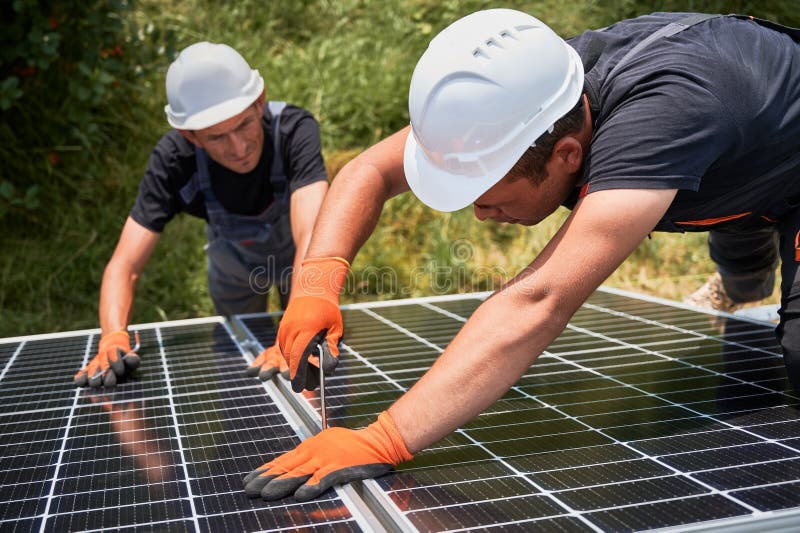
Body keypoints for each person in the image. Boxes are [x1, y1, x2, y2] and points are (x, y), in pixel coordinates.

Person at [238, 8, 800, 501]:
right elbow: (369, 170)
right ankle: (745, 282)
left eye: (488, 197)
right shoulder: (525, 96)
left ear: (567, 155)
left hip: (783, 156)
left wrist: (386, 437)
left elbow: (539, 301)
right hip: (740, 149)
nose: (480, 215)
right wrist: (315, 285)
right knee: (743, 265)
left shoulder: (661, 125)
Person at [73, 42, 329, 388]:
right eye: (217, 137)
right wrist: (112, 336)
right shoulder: (173, 162)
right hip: (234, 270)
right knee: (242, 362)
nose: (239, 148)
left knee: (313, 357)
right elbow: (125, 264)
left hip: (305, 258)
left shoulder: (294, 131)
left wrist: (299, 330)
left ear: (259, 101)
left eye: (244, 125)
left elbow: (313, 236)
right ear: (189, 136)